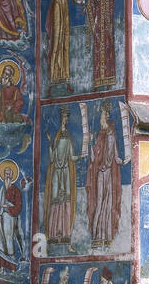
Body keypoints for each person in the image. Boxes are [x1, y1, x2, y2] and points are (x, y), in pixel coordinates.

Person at [86, 103, 121, 250]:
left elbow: (114, 155)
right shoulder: (101, 134)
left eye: (102, 115)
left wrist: (122, 160)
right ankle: (96, 237)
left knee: (109, 203)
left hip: (108, 173)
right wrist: (90, 144)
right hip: (101, 173)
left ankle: (105, 237)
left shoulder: (110, 133)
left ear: (105, 116)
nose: (101, 117)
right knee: (100, 202)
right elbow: (94, 159)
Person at [43, 107, 78, 245]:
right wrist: (49, 143)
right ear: (61, 119)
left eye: (67, 118)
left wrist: (81, 155)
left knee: (66, 199)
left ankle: (64, 233)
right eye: (64, 117)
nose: (66, 120)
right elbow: (51, 159)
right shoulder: (57, 138)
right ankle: (53, 234)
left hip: (65, 172)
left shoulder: (68, 138)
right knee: (55, 200)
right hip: (57, 172)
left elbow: (72, 156)